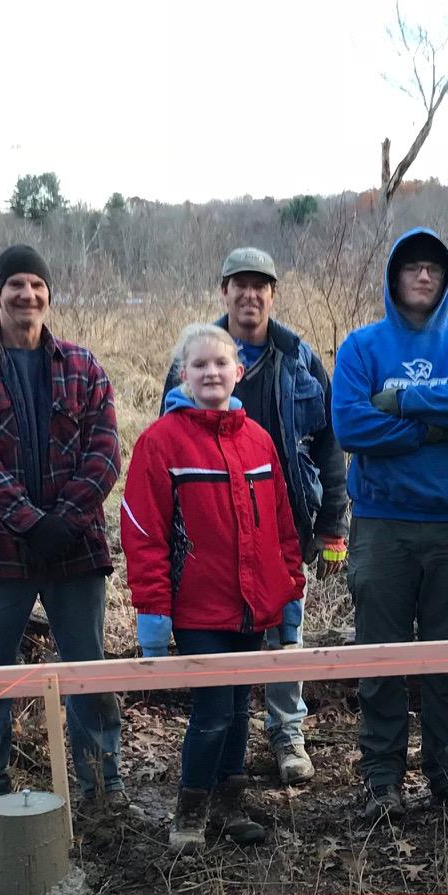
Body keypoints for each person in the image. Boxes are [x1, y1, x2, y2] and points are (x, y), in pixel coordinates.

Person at [0, 244, 123, 843]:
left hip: (74, 546)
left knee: (88, 672)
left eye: (37, 284)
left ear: (49, 293)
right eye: (15, 284)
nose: (27, 295)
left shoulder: (83, 367)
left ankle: (100, 786)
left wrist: (64, 520)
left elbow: (105, 450)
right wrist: (26, 521)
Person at [331, 228, 448, 819]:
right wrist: (439, 426)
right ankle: (383, 777)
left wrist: (400, 403)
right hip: (382, 525)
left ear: (446, 279)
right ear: (393, 278)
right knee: (381, 658)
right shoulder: (361, 347)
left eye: (434, 268)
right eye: (412, 268)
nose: (423, 276)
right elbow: (352, 427)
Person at [161, 248, 346, 786]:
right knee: (227, 657)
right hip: (212, 543)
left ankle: (287, 735)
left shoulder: (301, 358)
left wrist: (333, 522)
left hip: (287, 527)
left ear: (272, 292)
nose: (249, 294)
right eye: (239, 285)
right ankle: (215, 756)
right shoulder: (200, 352)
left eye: (259, 285)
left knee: (286, 639)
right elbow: (165, 453)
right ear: (224, 291)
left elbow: (330, 441)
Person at [124, 324, 305, 850]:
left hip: (253, 607)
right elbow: (143, 531)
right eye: (199, 365)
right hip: (199, 609)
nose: (211, 373)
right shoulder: (162, 441)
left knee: (240, 708)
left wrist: (288, 589)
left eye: (220, 364)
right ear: (184, 374)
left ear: (238, 372)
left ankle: (230, 801)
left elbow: (282, 524)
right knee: (211, 712)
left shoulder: (258, 440)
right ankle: (190, 810)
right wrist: (153, 613)